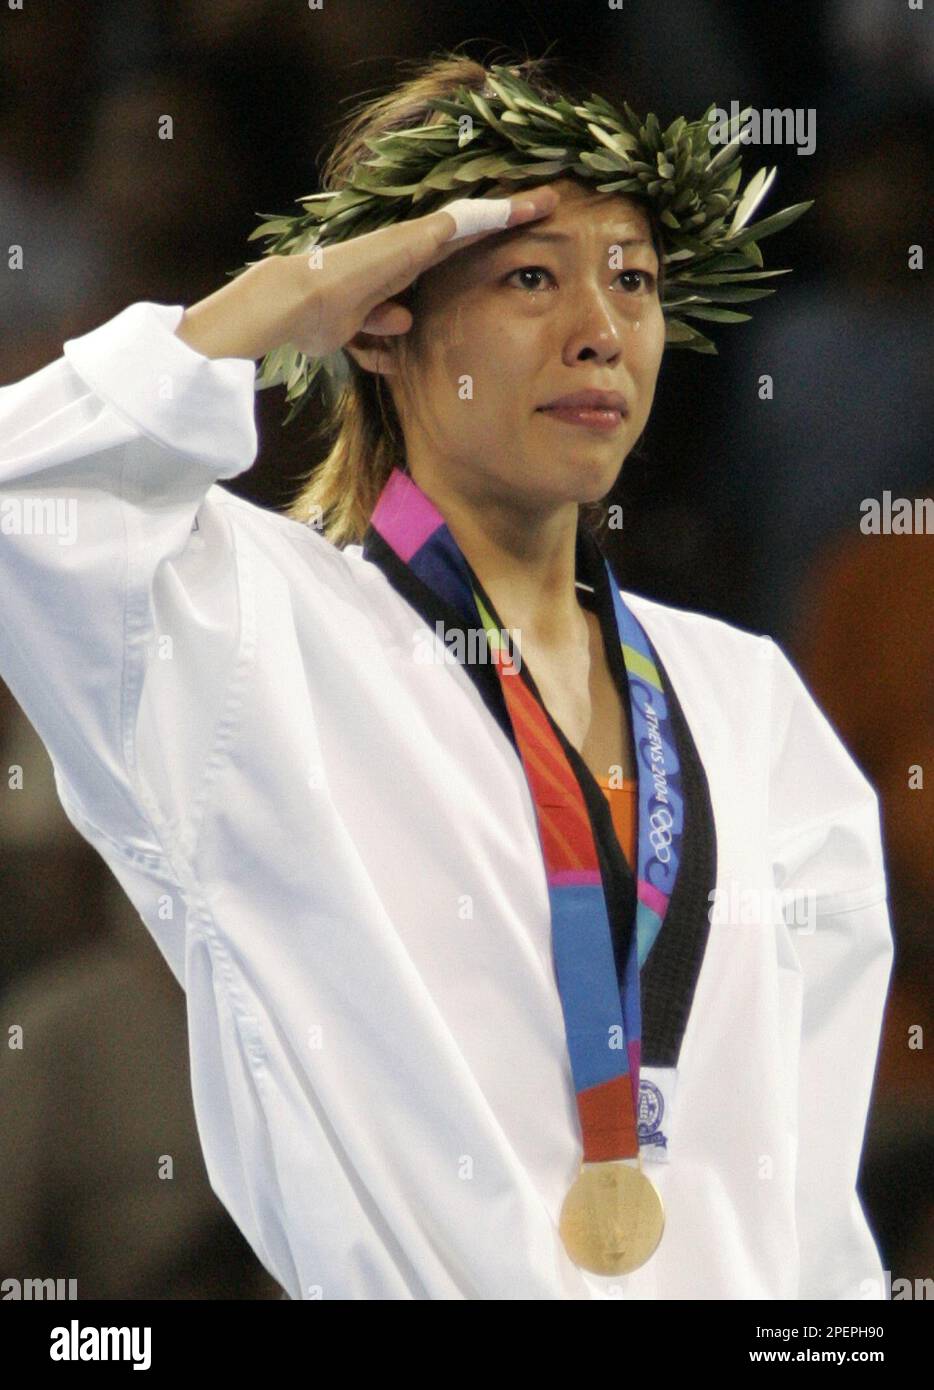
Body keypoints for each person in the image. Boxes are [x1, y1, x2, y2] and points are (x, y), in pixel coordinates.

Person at [0, 54, 893, 1299]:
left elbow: (808, 1205)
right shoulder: (256, 636)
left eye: (632, 280)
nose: (600, 329)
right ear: (382, 319)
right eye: (532, 276)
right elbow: (22, 497)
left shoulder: (748, 702)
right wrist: (283, 295)